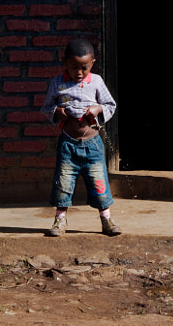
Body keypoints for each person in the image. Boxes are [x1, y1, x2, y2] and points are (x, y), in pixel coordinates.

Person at [41, 38, 121, 237]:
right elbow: (46, 107)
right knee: (63, 182)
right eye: (73, 67)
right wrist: (57, 111)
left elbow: (110, 104)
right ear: (64, 62)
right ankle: (59, 221)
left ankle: (106, 219)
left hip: (93, 144)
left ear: (92, 63)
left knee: (98, 181)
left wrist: (98, 108)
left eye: (84, 68)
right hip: (68, 144)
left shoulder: (96, 81)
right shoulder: (58, 84)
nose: (78, 72)